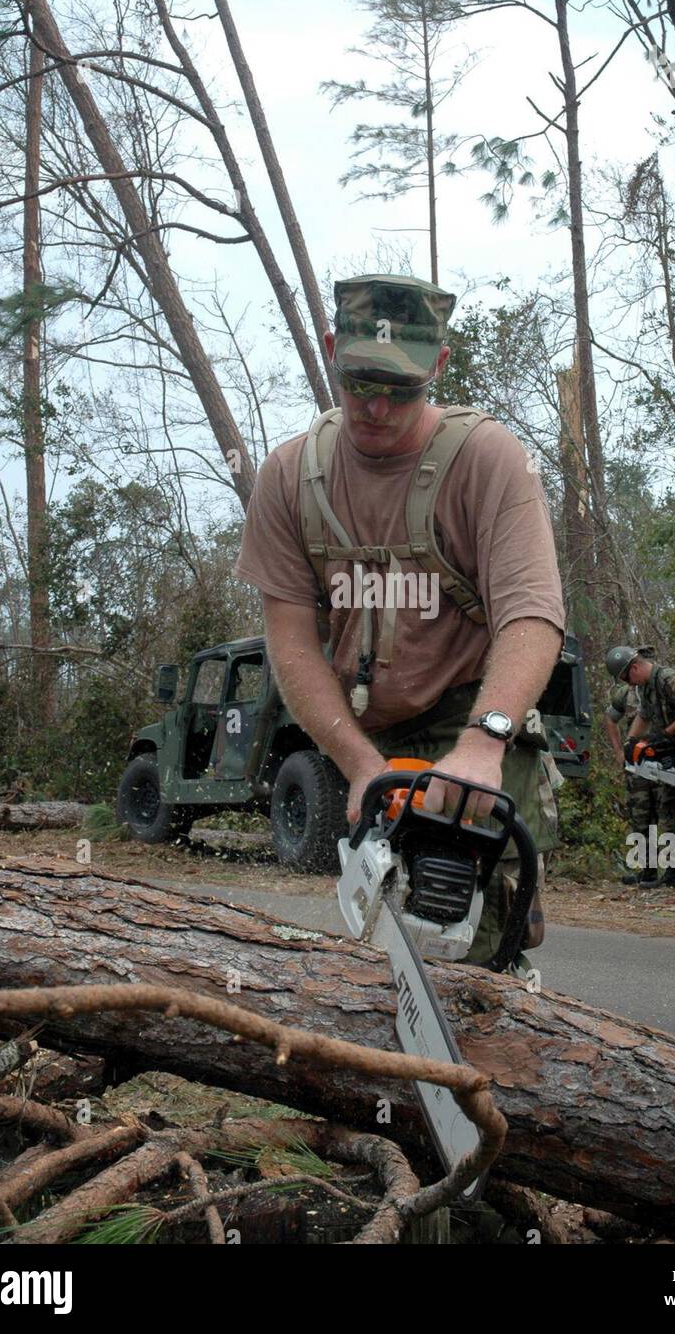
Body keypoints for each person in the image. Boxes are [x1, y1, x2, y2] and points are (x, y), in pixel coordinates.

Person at [234, 272, 566, 966]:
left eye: (401, 389)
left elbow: (532, 614)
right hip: (362, 727)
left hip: (469, 711)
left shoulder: (487, 460)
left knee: (469, 947)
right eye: (360, 383)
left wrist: (485, 741)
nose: (377, 407)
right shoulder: (291, 477)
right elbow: (291, 642)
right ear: (332, 349)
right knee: (383, 937)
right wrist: (358, 763)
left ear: (438, 368)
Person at [605, 645, 675, 896]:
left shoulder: (669, 679)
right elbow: (643, 716)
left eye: (626, 678)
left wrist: (665, 734)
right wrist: (631, 744)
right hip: (671, 758)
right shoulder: (645, 687)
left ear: (634, 668)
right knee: (669, 811)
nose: (627, 683)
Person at [604, 647, 659, 887]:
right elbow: (610, 719)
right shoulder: (625, 694)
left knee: (668, 814)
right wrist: (619, 751)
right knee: (640, 816)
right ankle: (647, 870)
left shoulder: (658, 686)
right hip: (636, 762)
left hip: (662, 758)